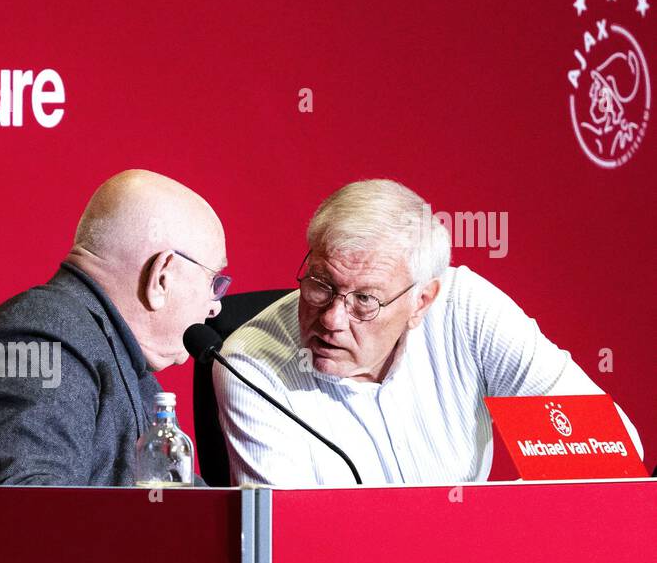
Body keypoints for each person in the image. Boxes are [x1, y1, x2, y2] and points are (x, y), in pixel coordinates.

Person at [215, 178, 643, 485]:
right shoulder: (250, 365)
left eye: (365, 300)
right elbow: (290, 542)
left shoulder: (464, 309)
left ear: (421, 301)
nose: (331, 319)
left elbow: (604, 454)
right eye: (320, 285)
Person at [0, 169, 228, 485]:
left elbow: (183, 507)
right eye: (214, 281)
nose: (216, 305)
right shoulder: (43, 337)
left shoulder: (127, 367)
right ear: (162, 276)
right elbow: (36, 512)